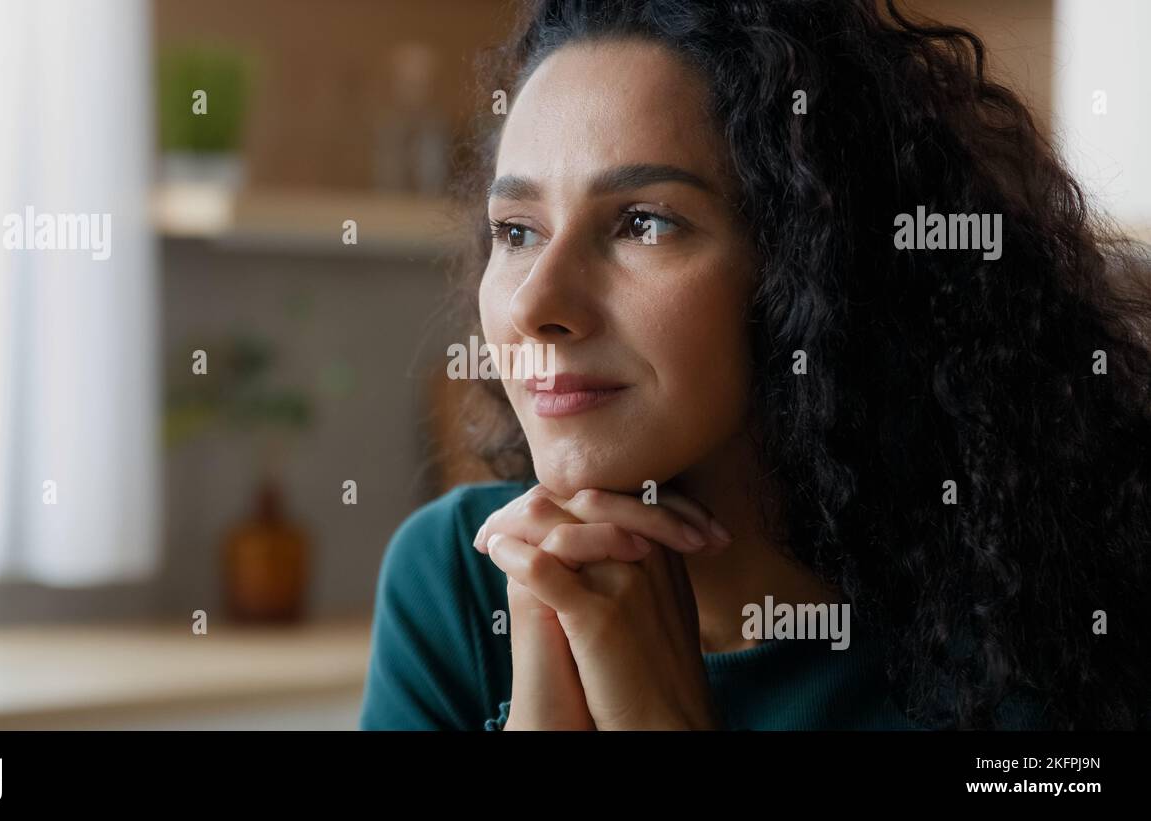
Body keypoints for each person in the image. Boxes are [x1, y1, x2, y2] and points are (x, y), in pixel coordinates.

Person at [360, 0, 1151, 731]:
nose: (536, 303)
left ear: (810, 266)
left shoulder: (1032, 640)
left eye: (643, 223)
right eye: (517, 230)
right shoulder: (460, 577)